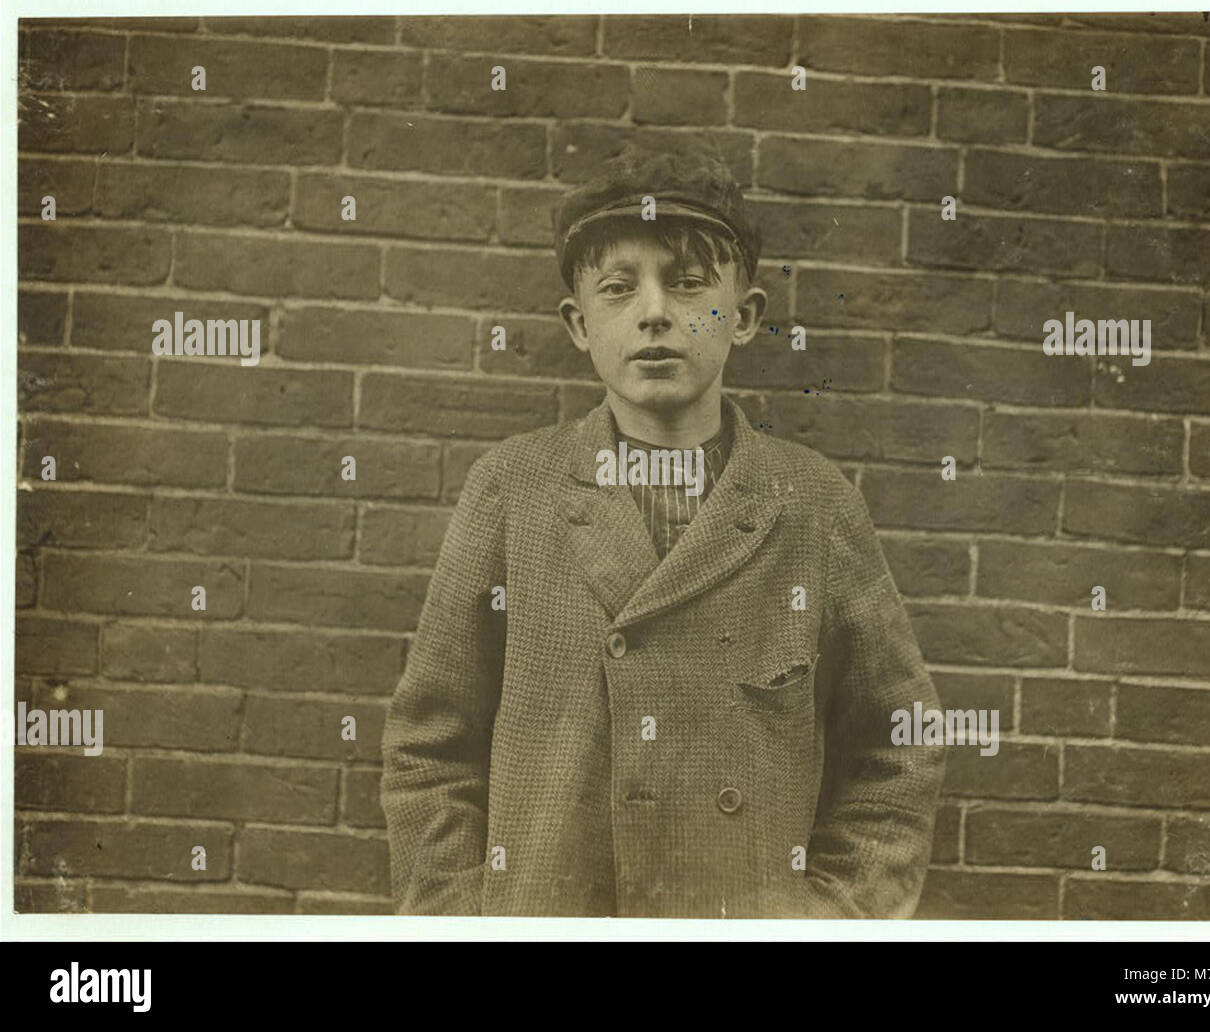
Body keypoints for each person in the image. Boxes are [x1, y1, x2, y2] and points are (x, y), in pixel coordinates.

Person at [381, 140, 945, 918]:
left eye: (687, 284)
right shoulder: (512, 491)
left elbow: (897, 744)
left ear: (743, 317)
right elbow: (427, 750)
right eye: (619, 288)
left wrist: (832, 920)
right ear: (580, 325)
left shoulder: (811, 503)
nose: (654, 311)